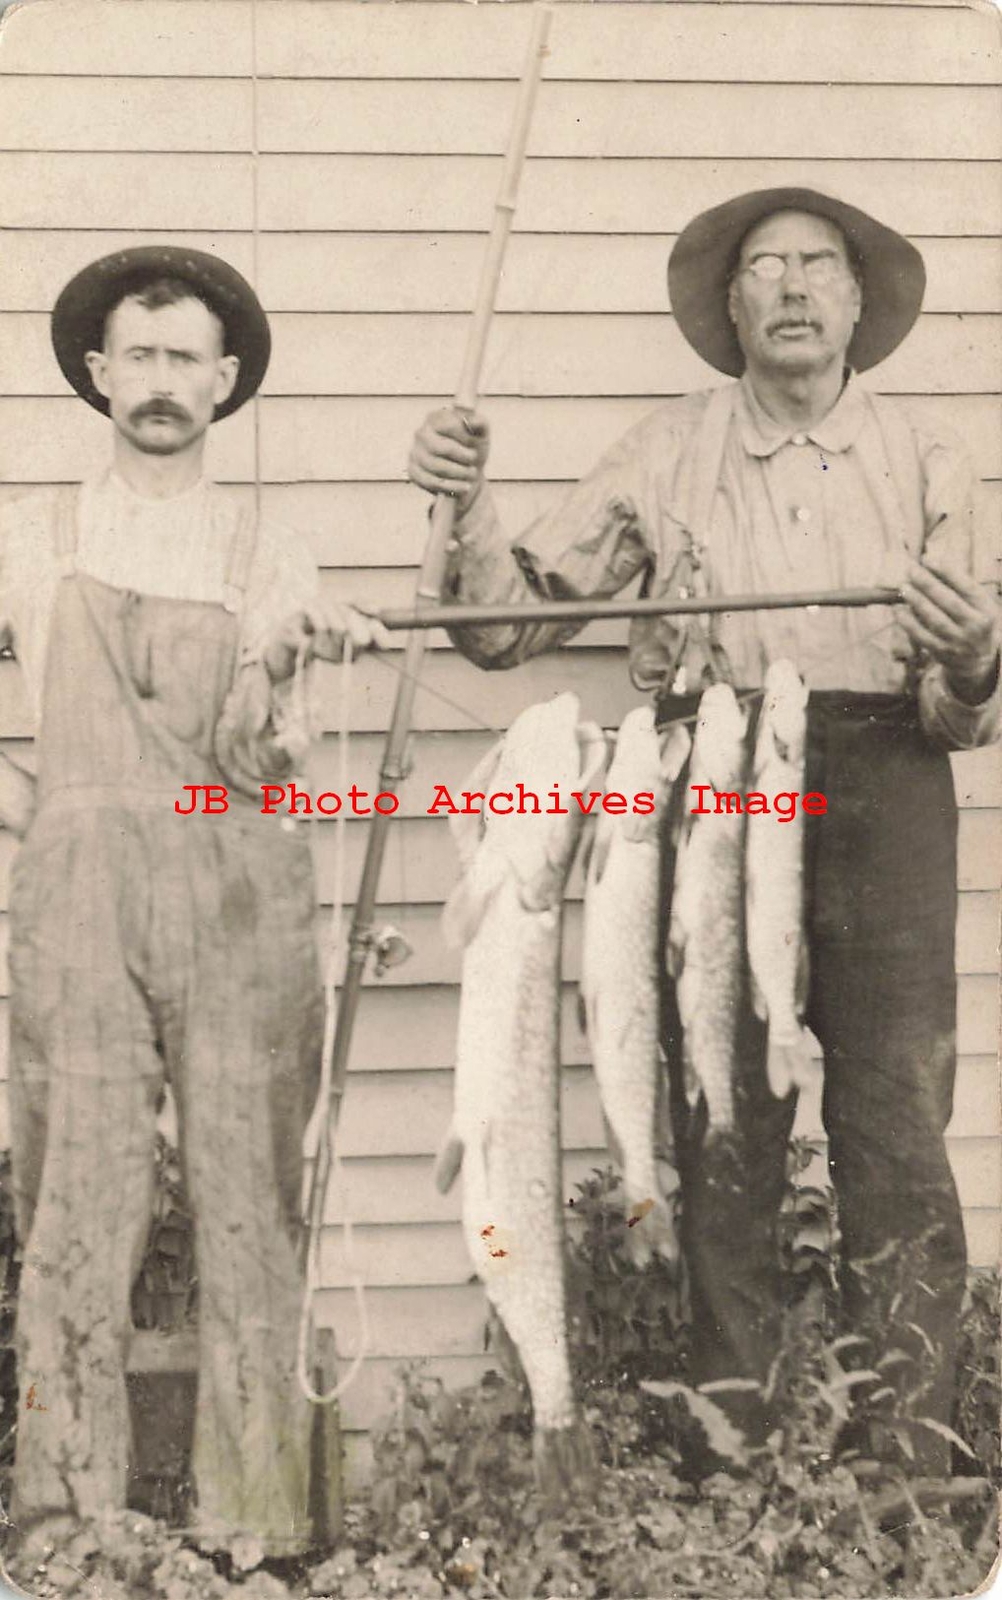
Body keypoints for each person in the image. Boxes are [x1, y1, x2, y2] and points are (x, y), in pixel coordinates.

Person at [407, 188, 1001, 1472]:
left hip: (883, 788)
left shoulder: (933, 461)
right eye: (765, 270)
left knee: (895, 1126)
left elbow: (961, 709)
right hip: (719, 790)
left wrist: (974, 657)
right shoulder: (661, 454)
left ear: (858, 303)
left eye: (819, 268)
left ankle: (909, 1467)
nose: (792, 288)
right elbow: (508, 628)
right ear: (729, 308)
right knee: (720, 1125)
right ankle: (737, 1448)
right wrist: (464, 509)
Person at [0, 247, 386, 1561]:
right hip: (77, 907)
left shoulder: (268, 548)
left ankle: (257, 1531)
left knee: (247, 1206)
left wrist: (285, 665)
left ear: (225, 383)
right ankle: (66, 1531)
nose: (161, 384)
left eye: (186, 360)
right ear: (99, 374)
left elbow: (259, 759)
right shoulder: (27, 537)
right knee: (72, 1212)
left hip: (233, 899)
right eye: (139, 357)